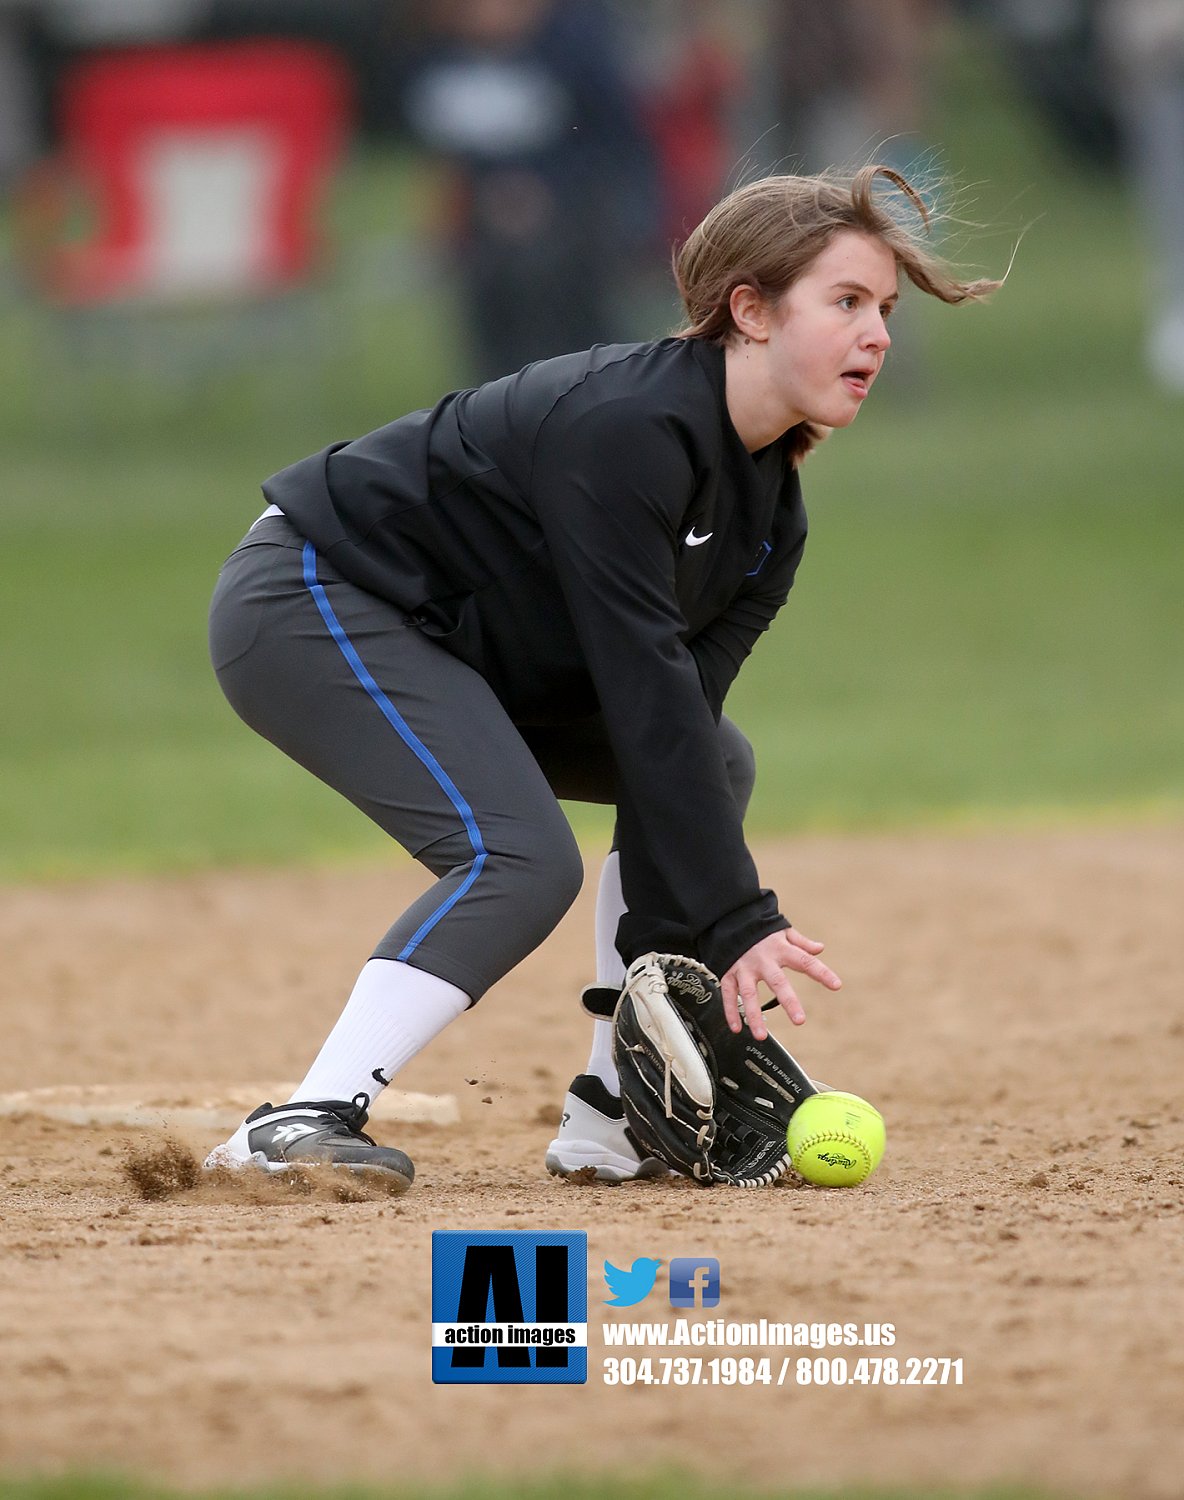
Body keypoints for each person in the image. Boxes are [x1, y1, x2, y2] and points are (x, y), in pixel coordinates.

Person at [203, 164, 998, 1189]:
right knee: (518, 856)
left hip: (451, 640)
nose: (877, 334)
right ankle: (302, 1118)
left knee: (710, 762)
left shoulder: (768, 522)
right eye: (845, 302)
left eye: (882, 309)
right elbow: (642, 674)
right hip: (315, 598)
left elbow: (668, 730)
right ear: (747, 311)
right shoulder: (626, 429)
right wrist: (740, 919)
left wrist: (701, 928)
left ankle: (614, 1111)